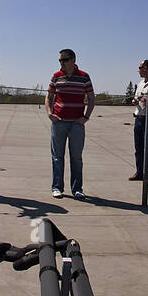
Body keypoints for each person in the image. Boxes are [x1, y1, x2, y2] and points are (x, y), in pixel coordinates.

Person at [45, 49, 95, 199]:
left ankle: (77, 189)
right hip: (59, 122)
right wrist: (49, 113)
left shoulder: (84, 77)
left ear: (73, 60)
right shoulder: (56, 77)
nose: (62, 62)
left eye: (65, 59)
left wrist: (86, 117)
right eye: (60, 60)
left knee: (76, 158)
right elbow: (49, 97)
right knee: (57, 157)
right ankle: (57, 187)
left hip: (76, 124)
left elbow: (91, 98)